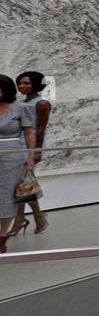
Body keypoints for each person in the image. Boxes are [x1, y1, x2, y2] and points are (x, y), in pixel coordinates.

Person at [9, 71, 51, 237]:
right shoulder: (24, 101)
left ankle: (36, 217)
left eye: (26, 83)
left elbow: (41, 128)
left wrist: (37, 151)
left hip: (31, 146)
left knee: (25, 182)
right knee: (21, 183)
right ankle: (22, 218)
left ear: (35, 84)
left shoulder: (41, 103)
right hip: (20, 144)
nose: (22, 86)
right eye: (20, 83)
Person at [0, 75, 37, 253]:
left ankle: (3, 235)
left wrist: (31, 156)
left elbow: (29, 133)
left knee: (7, 196)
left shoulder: (21, 108)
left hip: (11, 156)